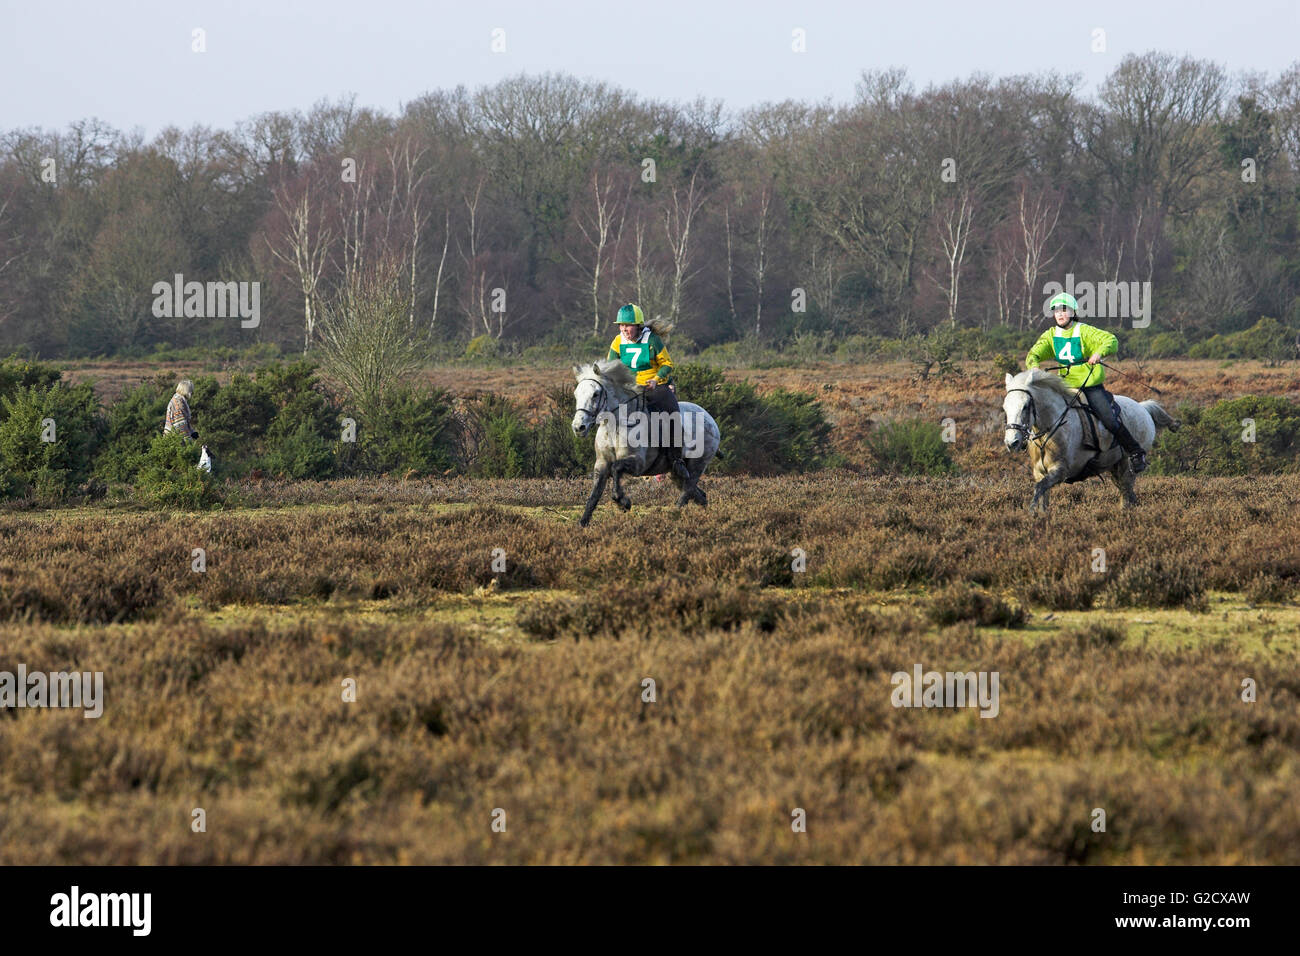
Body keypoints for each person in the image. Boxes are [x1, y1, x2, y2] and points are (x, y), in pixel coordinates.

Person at [1025, 292, 1146, 472]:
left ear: (1073, 312)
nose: (1059, 314)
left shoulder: (1084, 331)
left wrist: (1099, 353)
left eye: (1064, 310)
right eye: (1056, 311)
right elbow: (1033, 354)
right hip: (1064, 387)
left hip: (1089, 386)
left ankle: (1136, 452)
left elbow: (1111, 341)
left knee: (1109, 419)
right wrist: (1034, 366)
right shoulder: (1051, 335)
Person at [606, 303, 690, 480]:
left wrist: (656, 380)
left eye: (627, 325)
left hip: (653, 387)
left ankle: (676, 461)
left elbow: (667, 364)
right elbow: (611, 367)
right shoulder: (617, 341)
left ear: (638, 326)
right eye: (621, 325)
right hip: (629, 390)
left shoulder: (652, 340)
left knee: (671, 411)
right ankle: (606, 453)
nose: (624, 329)